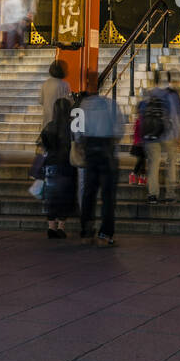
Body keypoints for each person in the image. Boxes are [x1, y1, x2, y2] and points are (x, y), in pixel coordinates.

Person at [73, 70, 124, 246]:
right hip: (107, 152)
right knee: (108, 196)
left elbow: (76, 133)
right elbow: (119, 131)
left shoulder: (81, 107)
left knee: (89, 193)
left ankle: (86, 232)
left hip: (90, 152)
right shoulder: (111, 105)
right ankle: (106, 234)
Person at [139, 70, 180, 203]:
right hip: (168, 134)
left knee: (153, 164)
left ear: (156, 80)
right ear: (168, 80)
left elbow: (141, 114)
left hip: (151, 134)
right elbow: (175, 116)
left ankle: (153, 194)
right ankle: (170, 194)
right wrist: (178, 136)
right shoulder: (171, 94)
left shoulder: (148, 94)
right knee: (171, 163)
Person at [39, 97, 76, 239]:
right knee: (65, 195)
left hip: (50, 165)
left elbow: (43, 145)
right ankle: (61, 226)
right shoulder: (71, 126)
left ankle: (51, 226)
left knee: (51, 196)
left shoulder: (49, 126)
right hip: (67, 164)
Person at [39, 59, 72, 128]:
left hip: (47, 121)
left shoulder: (45, 84)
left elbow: (41, 101)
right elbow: (69, 102)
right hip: (60, 122)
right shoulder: (65, 85)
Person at [128, 105, 147, 187]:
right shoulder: (140, 121)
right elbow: (136, 133)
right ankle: (135, 175)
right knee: (141, 160)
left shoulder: (140, 120)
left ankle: (140, 177)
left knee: (142, 160)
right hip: (140, 144)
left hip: (141, 144)